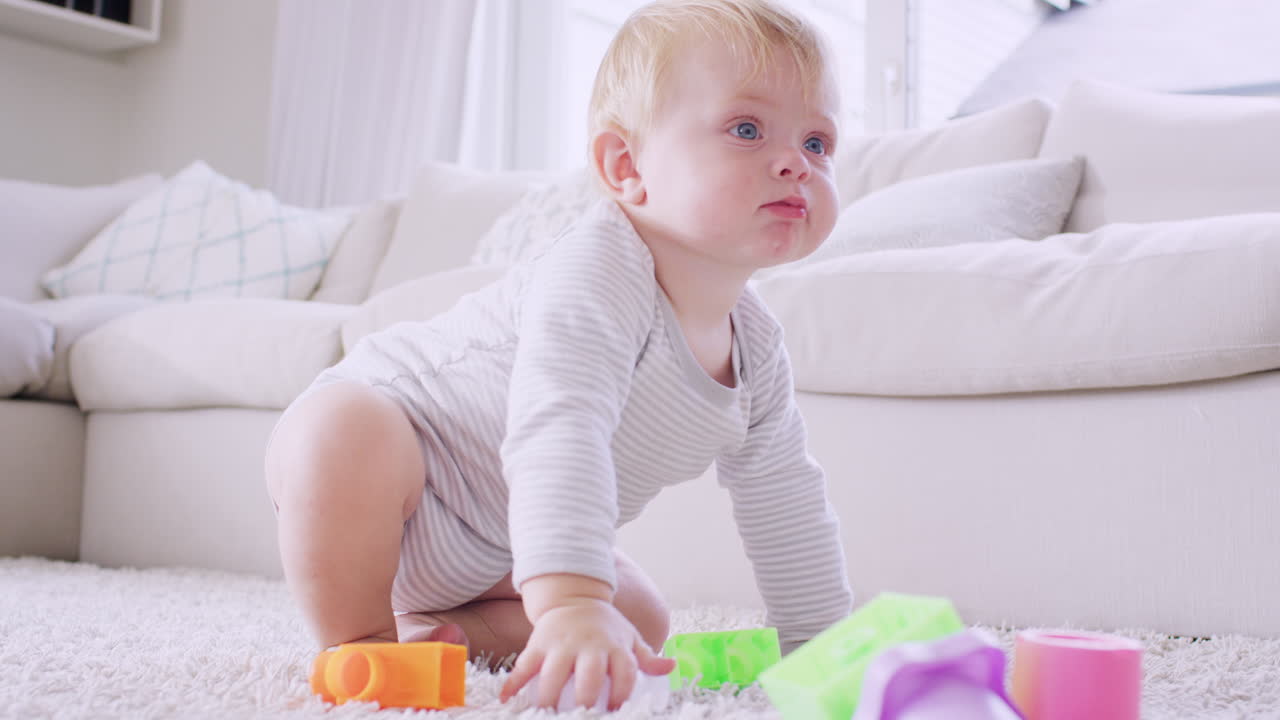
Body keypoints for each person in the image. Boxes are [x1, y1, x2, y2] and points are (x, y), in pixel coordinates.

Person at [265, 0, 853, 710]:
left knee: (637, 618)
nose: (795, 162)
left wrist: (822, 641)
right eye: (747, 129)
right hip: (399, 482)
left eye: (818, 143)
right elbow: (559, 427)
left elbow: (786, 498)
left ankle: (445, 632)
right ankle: (362, 644)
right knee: (340, 428)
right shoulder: (599, 272)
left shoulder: (756, 349)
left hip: (504, 551)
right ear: (627, 165)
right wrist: (571, 598)